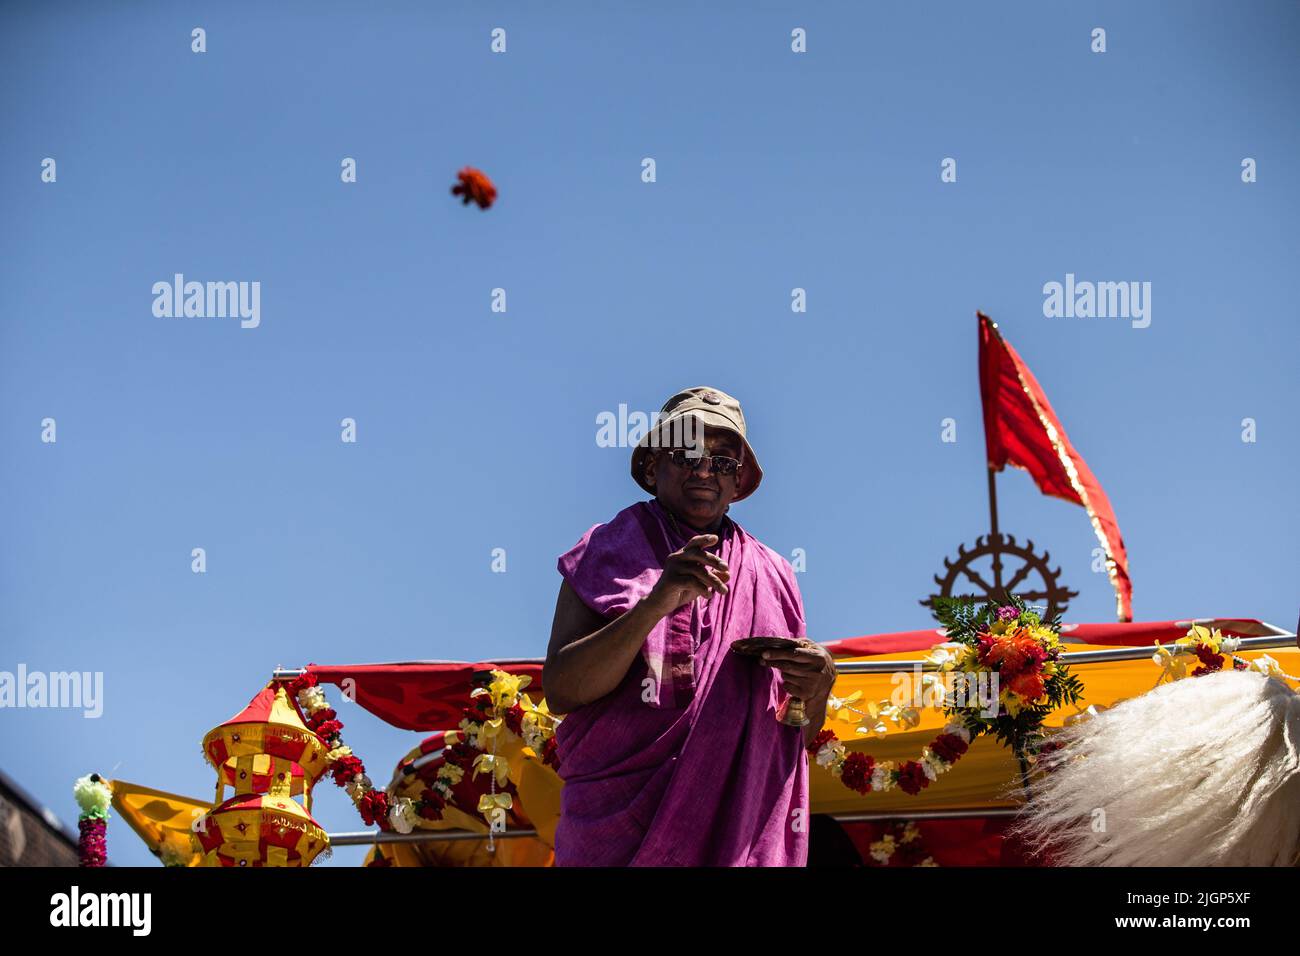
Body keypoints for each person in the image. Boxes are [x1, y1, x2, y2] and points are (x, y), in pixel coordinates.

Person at [543, 386, 837, 866]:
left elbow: (792, 734)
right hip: (617, 835)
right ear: (653, 466)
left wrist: (817, 689)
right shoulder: (607, 549)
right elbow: (561, 690)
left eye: (723, 461)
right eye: (687, 454)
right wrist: (655, 603)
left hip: (738, 838)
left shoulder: (774, 573)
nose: (704, 470)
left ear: (738, 480)